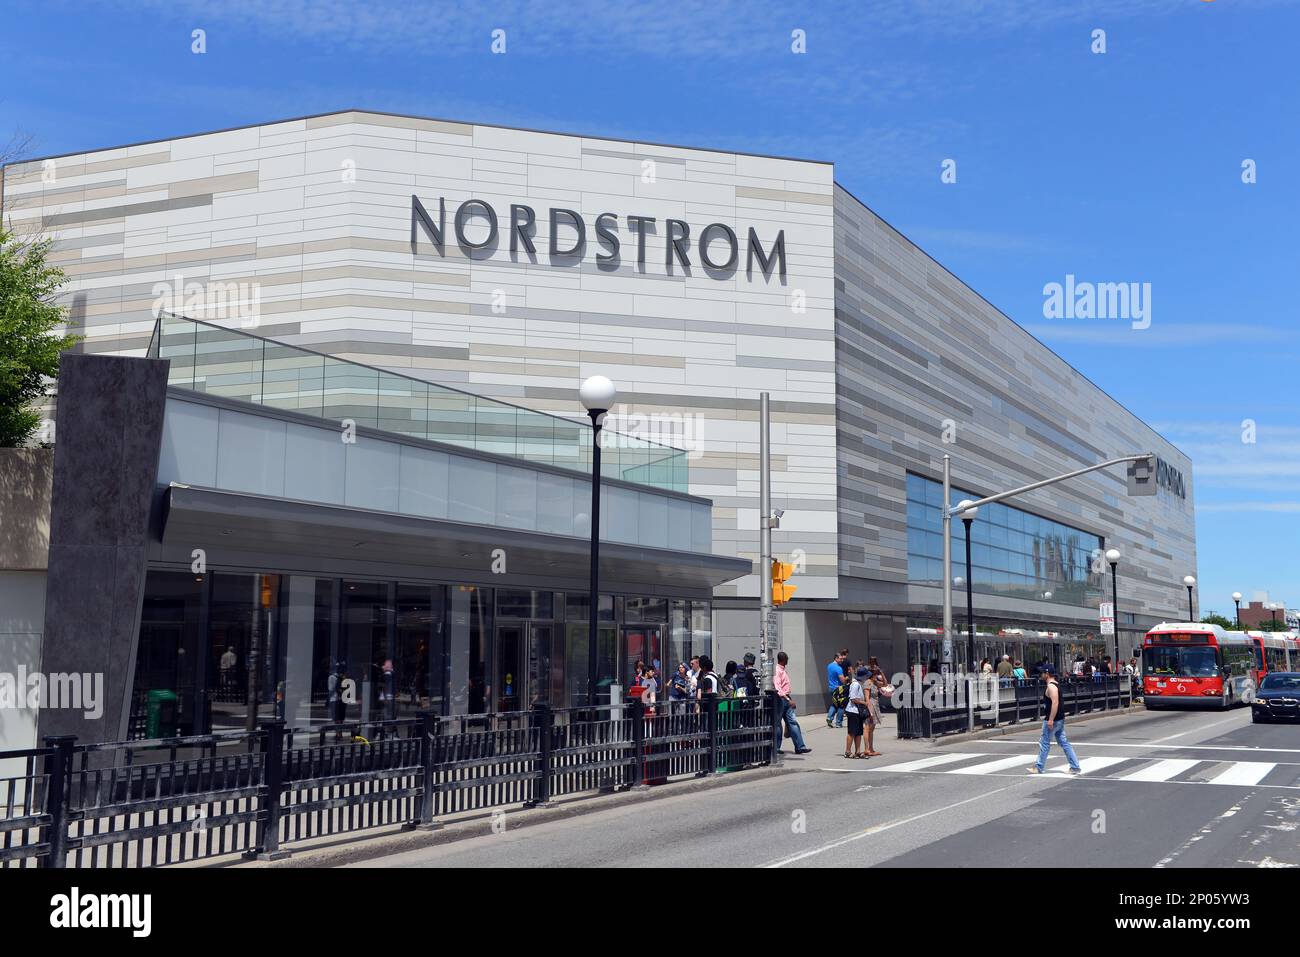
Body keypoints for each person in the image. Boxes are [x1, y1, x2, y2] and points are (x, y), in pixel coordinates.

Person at [1028, 664, 1081, 775]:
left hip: (1053, 719)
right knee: (1063, 742)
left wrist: (1050, 719)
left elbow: (1055, 703)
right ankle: (1075, 767)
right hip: (1059, 719)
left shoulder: (1051, 686)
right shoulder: (1056, 684)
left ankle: (1038, 767)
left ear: (1047, 674)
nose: (1040, 675)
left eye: (1042, 673)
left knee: (1045, 743)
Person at [773, 651, 811, 754]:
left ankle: (800, 747)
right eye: (787, 659)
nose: (787, 661)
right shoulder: (777, 671)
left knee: (792, 722)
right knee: (778, 724)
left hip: (786, 697)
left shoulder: (783, 670)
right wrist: (788, 700)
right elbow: (778, 688)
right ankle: (776, 748)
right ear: (783, 660)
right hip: (781, 699)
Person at [844, 666, 868, 758]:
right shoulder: (855, 684)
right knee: (852, 732)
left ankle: (858, 751)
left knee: (858, 732)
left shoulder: (858, 683)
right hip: (853, 711)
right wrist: (864, 703)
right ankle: (848, 751)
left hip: (857, 711)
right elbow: (853, 698)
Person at [863, 666, 885, 757]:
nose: (877, 675)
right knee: (867, 728)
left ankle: (871, 749)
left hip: (875, 705)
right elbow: (867, 698)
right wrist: (870, 711)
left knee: (872, 729)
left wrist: (882, 673)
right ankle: (866, 749)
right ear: (872, 674)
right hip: (870, 706)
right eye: (876, 673)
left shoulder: (875, 682)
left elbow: (885, 684)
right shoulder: (868, 683)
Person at [826, 651, 847, 728]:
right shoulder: (838, 668)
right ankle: (838, 723)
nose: (842, 660)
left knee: (835, 704)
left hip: (831, 688)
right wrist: (846, 680)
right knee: (841, 705)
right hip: (838, 689)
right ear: (836, 658)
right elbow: (842, 679)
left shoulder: (829, 666)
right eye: (840, 659)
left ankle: (829, 718)